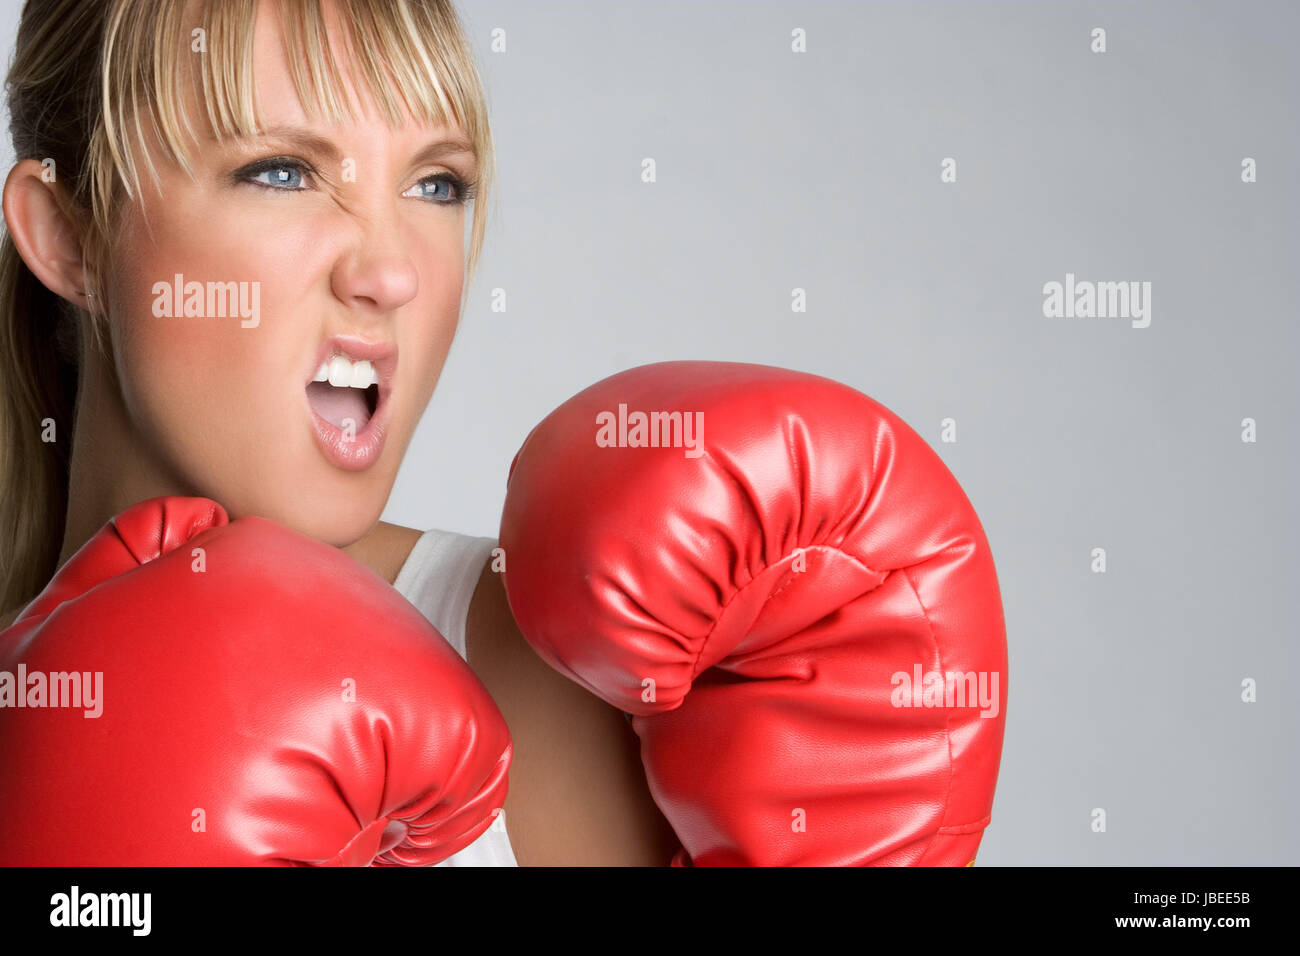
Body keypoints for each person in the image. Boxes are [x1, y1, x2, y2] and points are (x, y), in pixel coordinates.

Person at [0, 0, 678, 865]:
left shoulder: (543, 668)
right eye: (283, 171)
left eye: (437, 184)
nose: (391, 271)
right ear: (69, 237)